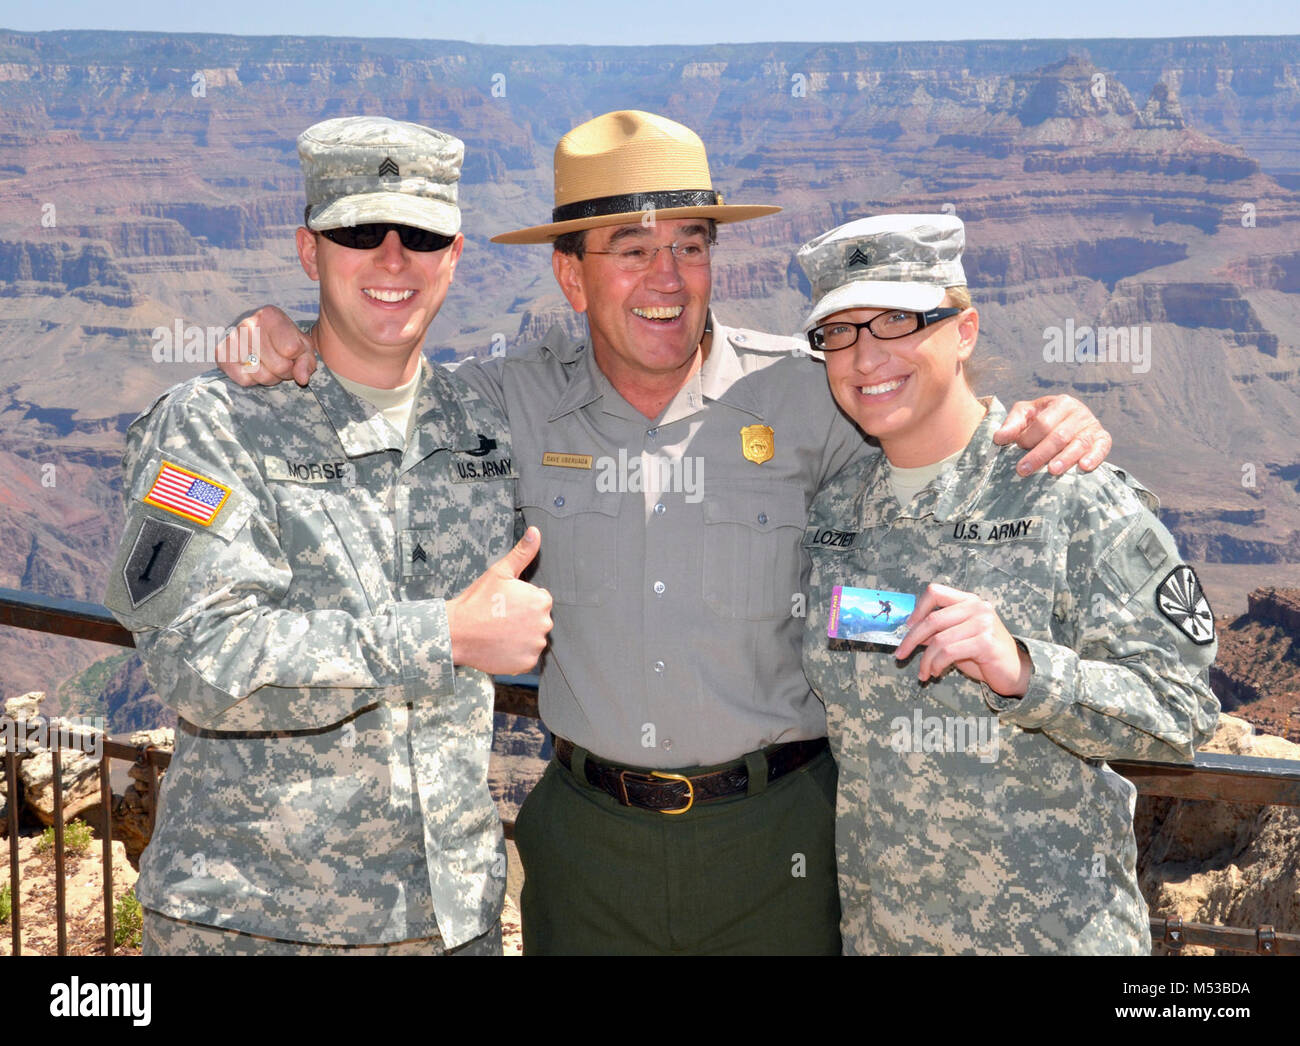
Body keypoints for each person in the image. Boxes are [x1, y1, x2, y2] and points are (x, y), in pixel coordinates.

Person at [216, 111, 1114, 955]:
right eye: (633, 250)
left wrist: (1041, 419)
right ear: (571, 276)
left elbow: (931, 426)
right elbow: (380, 377)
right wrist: (282, 335)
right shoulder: (503, 402)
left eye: (691, 246)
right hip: (587, 847)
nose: (668, 278)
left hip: (779, 839)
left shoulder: (811, 392)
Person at [103, 116, 553, 955]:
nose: (393, 260)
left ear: (455, 257)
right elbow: (197, 659)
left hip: (452, 924)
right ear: (310, 252)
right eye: (359, 232)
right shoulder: (213, 425)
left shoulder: (487, 426)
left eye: (421, 235)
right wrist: (442, 637)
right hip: (254, 927)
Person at [797, 213, 1220, 954]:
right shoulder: (835, 515)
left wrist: (1027, 671)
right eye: (839, 331)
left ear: (964, 331)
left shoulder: (1066, 490)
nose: (865, 357)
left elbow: (1182, 713)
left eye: (897, 321)